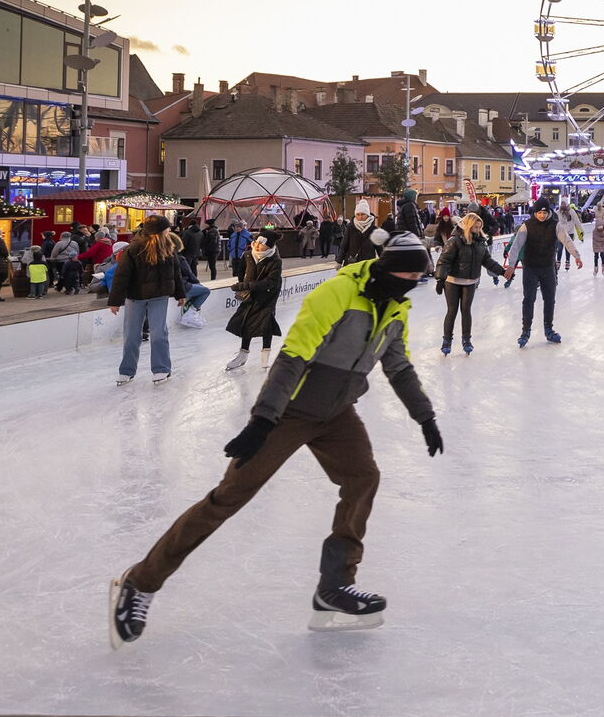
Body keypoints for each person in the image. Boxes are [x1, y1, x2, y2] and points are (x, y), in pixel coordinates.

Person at [109, 231, 441, 646]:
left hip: (337, 412)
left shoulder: (396, 307)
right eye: (410, 272)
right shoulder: (338, 292)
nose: (414, 280)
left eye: (419, 274)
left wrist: (424, 416)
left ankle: (334, 587)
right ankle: (140, 582)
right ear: (389, 267)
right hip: (290, 410)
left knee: (362, 480)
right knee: (229, 496)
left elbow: (399, 365)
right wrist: (264, 420)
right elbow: (294, 355)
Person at [109, 217, 185, 385]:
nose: (169, 231)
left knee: (159, 333)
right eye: (166, 229)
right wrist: (115, 300)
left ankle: (161, 368)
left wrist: (180, 293)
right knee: (131, 335)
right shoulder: (134, 249)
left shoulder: (169, 248)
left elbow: (176, 273)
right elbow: (121, 276)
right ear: (158, 231)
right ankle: (126, 371)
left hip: (159, 296)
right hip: (135, 297)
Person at [505, 197, 582, 346]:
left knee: (549, 299)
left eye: (544, 212)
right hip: (530, 268)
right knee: (529, 299)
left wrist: (576, 256)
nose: (541, 215)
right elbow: (516, 246)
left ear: (548, 212)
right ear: (535, 212)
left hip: (547, 267)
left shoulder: (555, 225)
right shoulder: (526, 226)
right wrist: (511, 265)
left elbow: (567, 240)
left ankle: (549, 329)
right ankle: (525, 330)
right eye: (539, 212)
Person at [435, 212, 506, 354]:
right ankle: (447, 340)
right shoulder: (454, 240)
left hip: (470, 281)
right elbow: (444, 260)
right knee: (452, 311)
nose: (477, 230)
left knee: (466, 311)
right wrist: (440, 279)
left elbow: (487, 261)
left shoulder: (480, 241)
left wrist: (502, 272)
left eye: (479, 227)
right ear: (468, 226)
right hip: (453, 281)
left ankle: (466, 340)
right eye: (475, 227)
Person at [225, 231, 285, 371]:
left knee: (266, 322)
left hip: (268, 294)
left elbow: (271, 282)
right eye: (257, 242)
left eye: (262, 244)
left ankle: (265, 353)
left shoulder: (275, 260)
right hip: (251, 293)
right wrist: (243, 285)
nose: (257, 246)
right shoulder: (248, 255)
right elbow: (241, 271)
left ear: (270, 246)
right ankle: (243, 354)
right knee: (246, 321)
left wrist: (246, 285)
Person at [175, 246, 212, 328]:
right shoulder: (179, 258)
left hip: (170, 287)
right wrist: (198, 284)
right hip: (181, 287)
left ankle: (192, 313)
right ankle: (191, 312)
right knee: (205, 291)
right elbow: (189, 273)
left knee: (199, 288)